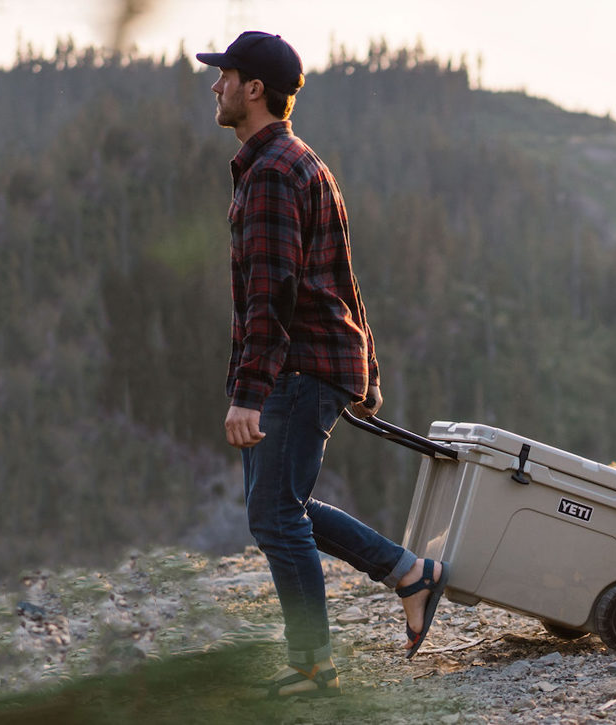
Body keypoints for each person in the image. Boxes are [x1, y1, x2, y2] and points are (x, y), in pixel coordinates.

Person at [196, 31, 448, 699]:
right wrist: (364, 368)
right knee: (280, 507)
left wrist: (247, 393)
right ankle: (408, 573)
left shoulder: (275, 172)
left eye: (224, 75)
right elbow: (339, 276)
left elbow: (272, 291)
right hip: (313, 363)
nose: (214, 86)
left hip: (296, 368)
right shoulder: (295, 161)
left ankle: (314, 663)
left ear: (254, 89)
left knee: (276, 514)